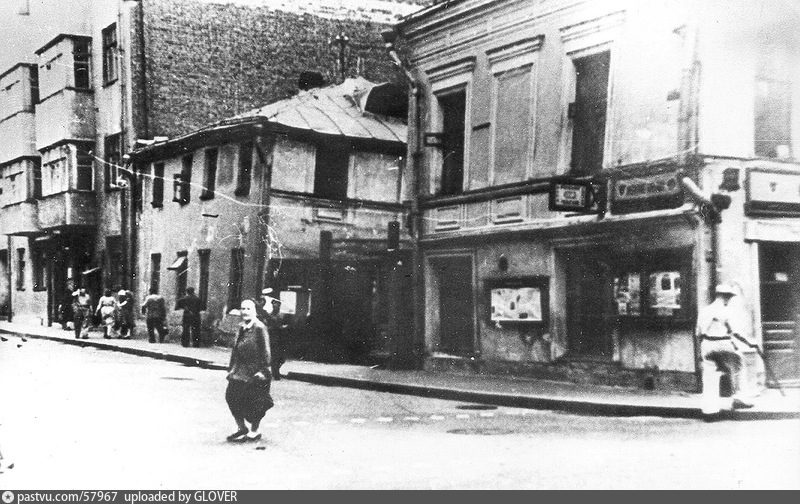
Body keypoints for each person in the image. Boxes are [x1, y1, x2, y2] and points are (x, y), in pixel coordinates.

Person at [696, 282, 756, 409]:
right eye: (729, 297)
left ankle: (710, 410)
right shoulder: (726, 311)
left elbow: (698, 333)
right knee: (739, 367)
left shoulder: (704, 311)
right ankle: (740, 398)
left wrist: (699, 354)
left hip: (707, 345)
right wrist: (750, 343)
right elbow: (735, 332)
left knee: (709, 375)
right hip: (723, 343)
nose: (729, 299)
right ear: (726, 296)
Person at [225, 298, 273, 442]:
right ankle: (241, 427)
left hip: (255, 371)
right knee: (231, 397)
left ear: (255, 311)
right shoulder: (241, 327)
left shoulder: (259, 327)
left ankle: (254, 430)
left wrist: (264, 370)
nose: (245, 312)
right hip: (238, 371)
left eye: (248, 309)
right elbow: (235, 350)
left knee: (255, 402)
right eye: (243, 309)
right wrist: (231, 368)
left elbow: (266, 351)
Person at [260, 289, 290, 380]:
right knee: (273, 357)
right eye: (274, 304)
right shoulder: (270, 314)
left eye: (276, 304)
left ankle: (274, 373)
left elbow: (282, 323)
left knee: (281, 358)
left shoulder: (281, 315)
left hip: (279, 339)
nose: (275, 306)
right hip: (271, 339)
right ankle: (275, 374)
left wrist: (283, 327)